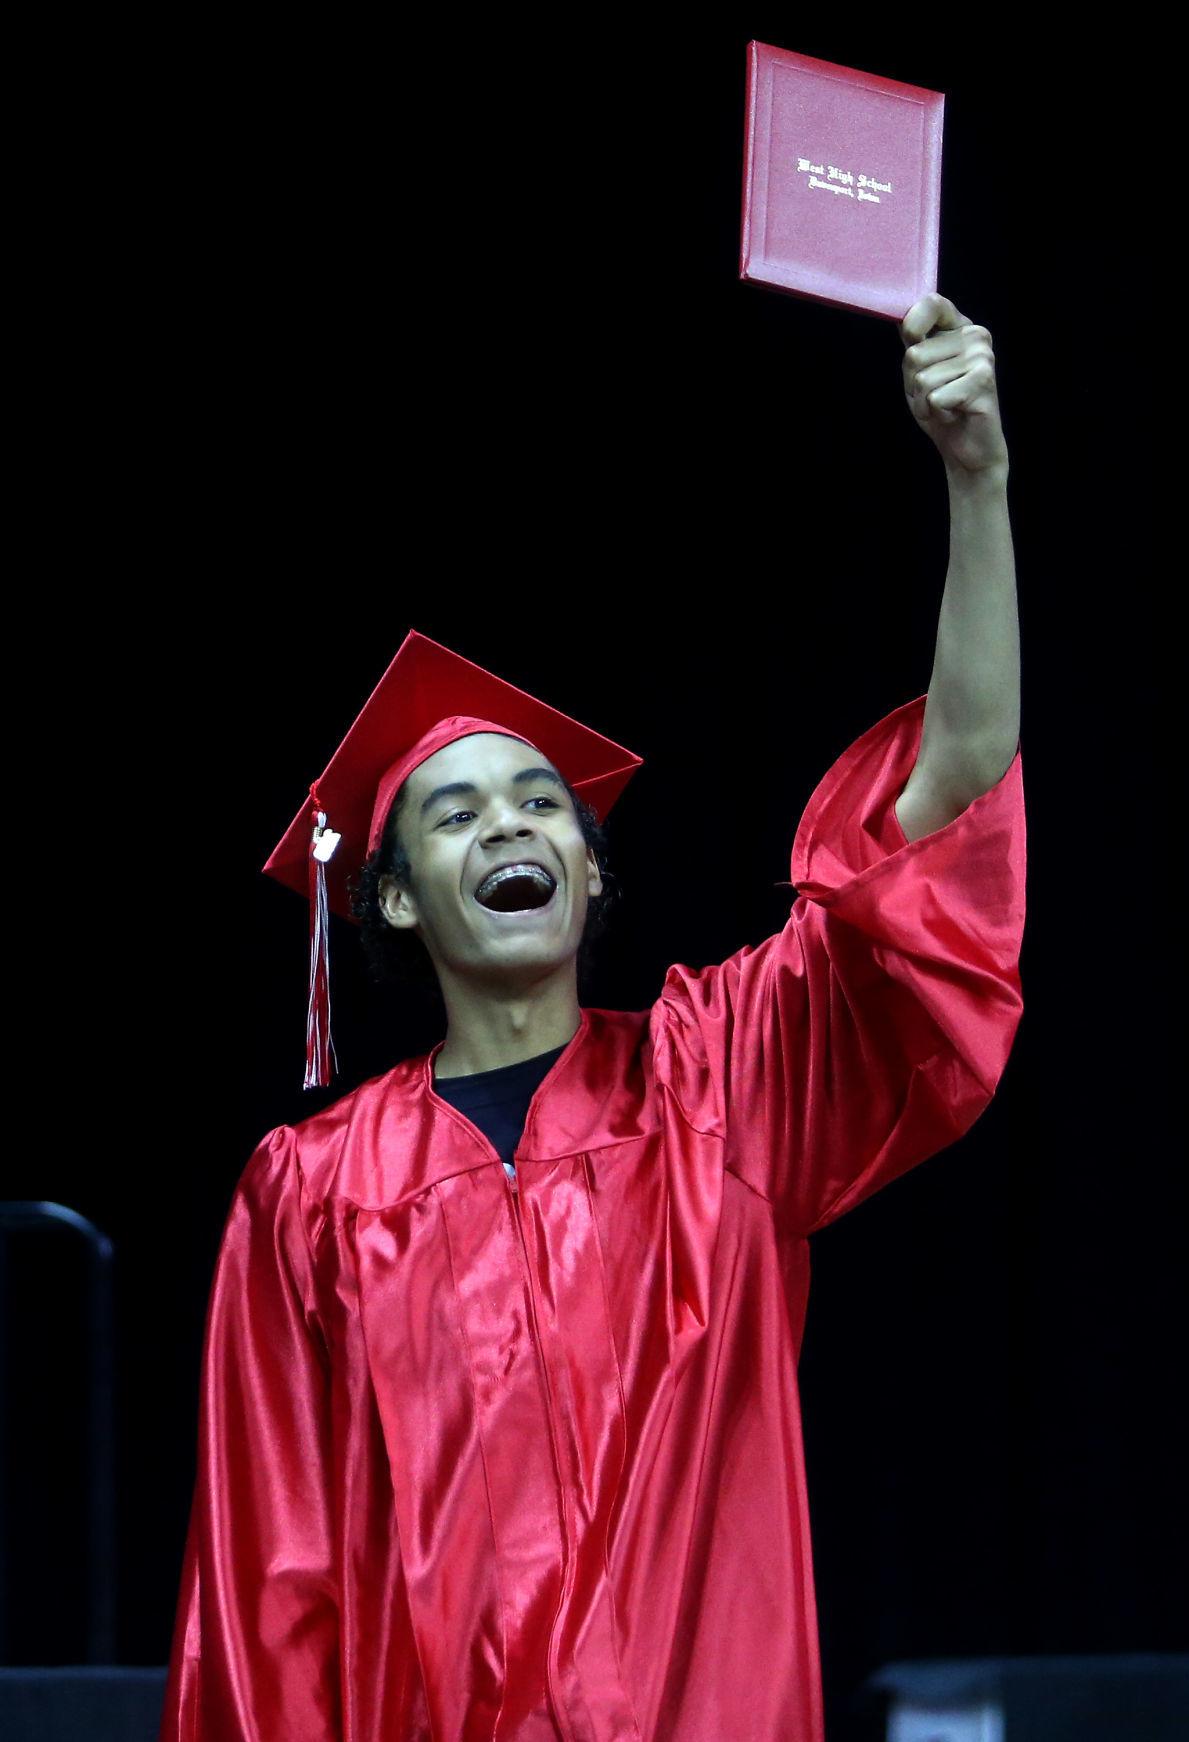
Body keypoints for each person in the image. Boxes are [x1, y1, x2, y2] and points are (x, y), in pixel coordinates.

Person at [159, 292, 1024, 1741]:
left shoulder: (724, 1082)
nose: (510, 821)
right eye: (455, 813)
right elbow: (268, 1585)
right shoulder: (308, 1192)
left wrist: (976, 481)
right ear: (391, 899)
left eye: (539, 801)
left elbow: (952, 789)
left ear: (590, 866)